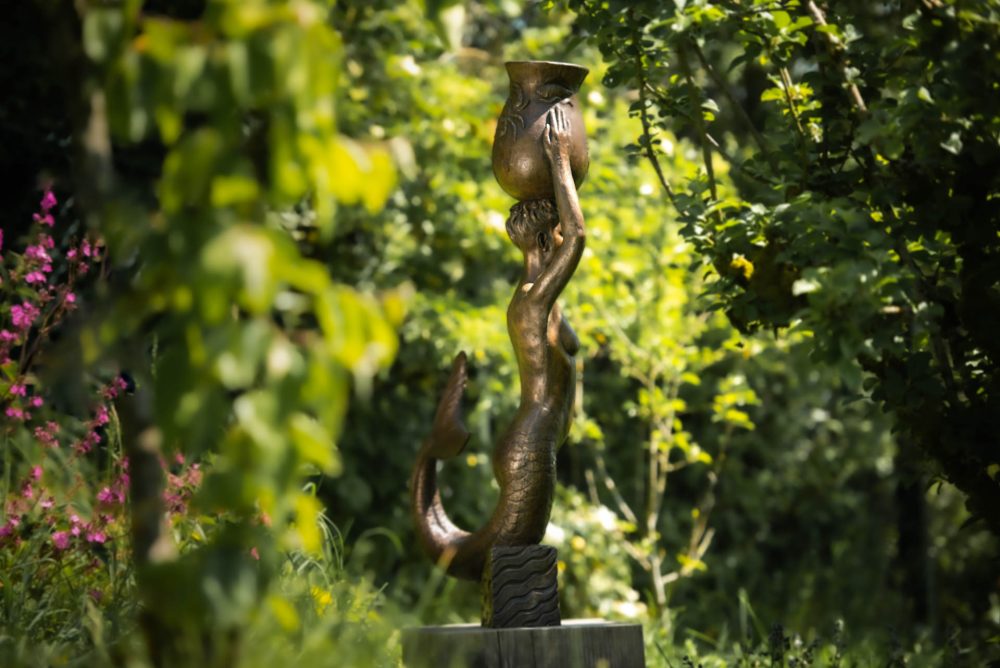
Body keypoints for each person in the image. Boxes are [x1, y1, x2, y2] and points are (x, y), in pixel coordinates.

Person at [411, 105, 586, 581]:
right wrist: (559, 162)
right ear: (543, 238)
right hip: (529, 444)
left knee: (510, 554)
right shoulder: (531, 301)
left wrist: (556, 180)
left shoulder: (544, 299)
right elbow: (579, 236)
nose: (559, 233)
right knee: (504, 556)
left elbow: (568, 239)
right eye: (552, 228)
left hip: (535, 439)